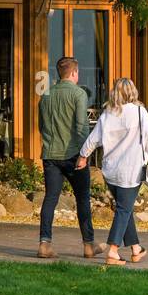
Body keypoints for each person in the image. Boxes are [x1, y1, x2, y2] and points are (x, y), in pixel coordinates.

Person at [76, 78, 148, 265]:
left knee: (125, 207)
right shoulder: (139, 112)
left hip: (111, 170)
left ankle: (136, 248)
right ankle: (113, 250)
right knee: (124, 209)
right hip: (131, 170)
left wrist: (83, 157)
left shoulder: (108, 114)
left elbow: (93, 138)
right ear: (133, 91)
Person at [37, 56, 98, 259]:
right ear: (73, 73)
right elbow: (81, 126)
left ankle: (44, 243)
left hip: (50, 154)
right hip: (73, 155)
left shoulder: (45, 95)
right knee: (82, 198)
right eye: (77, 72)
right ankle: (88, 244)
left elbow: (41, 125)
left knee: (50, 198)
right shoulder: (78, 94)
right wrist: (84, 153)